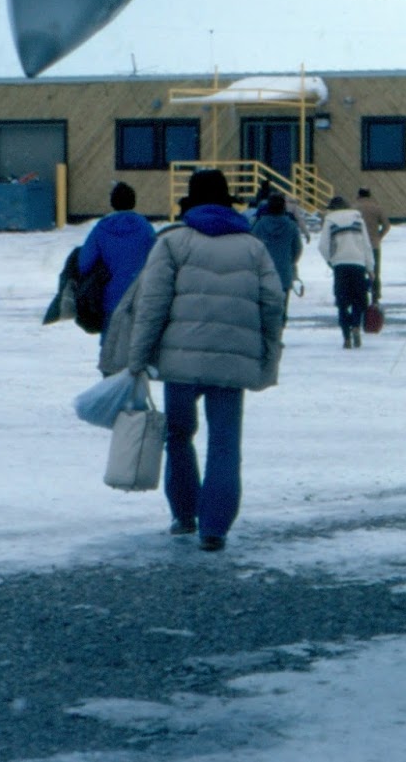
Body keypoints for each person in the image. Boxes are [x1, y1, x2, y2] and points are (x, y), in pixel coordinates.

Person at [122, 169, 285, 553]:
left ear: (190, 202)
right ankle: (215, 527)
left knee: (178, 436)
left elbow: (152, 305)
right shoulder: (253, 246)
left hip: (180, 362)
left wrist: (137, 357)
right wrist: (266, 351)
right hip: (233, 361)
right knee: (225, 443)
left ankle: (184, 514)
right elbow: (273, 303)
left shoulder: (173, 242)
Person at [78, 182, 156, 326]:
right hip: (139, 297)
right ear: (133, 202)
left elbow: (84, 264)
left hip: (110, 298)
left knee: (110, 345)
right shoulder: (146, 228)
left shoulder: (101, 228)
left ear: (112, 203)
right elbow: (156, 261)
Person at [317, 194, 373, 349]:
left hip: (340, 265)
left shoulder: (330, 220)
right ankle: (355, 325)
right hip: (358, 263)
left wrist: (331, 260)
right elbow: (366, 245)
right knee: (358, 300)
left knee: (342, 302)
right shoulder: (358, 219)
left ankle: (346, 338)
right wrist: (370, 267)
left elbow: (322, 246)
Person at [250, 190, 303, 320]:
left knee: (263, 310)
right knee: (282, 309)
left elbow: (252, 246)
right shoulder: (291, 226)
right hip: (284, 272)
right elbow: (297, 249)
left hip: (263, 273)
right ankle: (279, 333)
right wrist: (291, 262)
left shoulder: (260, 225)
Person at [353, 187, 391, 300]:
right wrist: (379, 236)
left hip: (357, 245)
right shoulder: (377, 208)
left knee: (359, 271)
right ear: (369, 195)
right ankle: (375, 294)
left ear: (358, 196)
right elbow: (386, 225)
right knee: (374, 271)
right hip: (373, 244)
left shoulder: (353, 209)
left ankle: (360, 293)